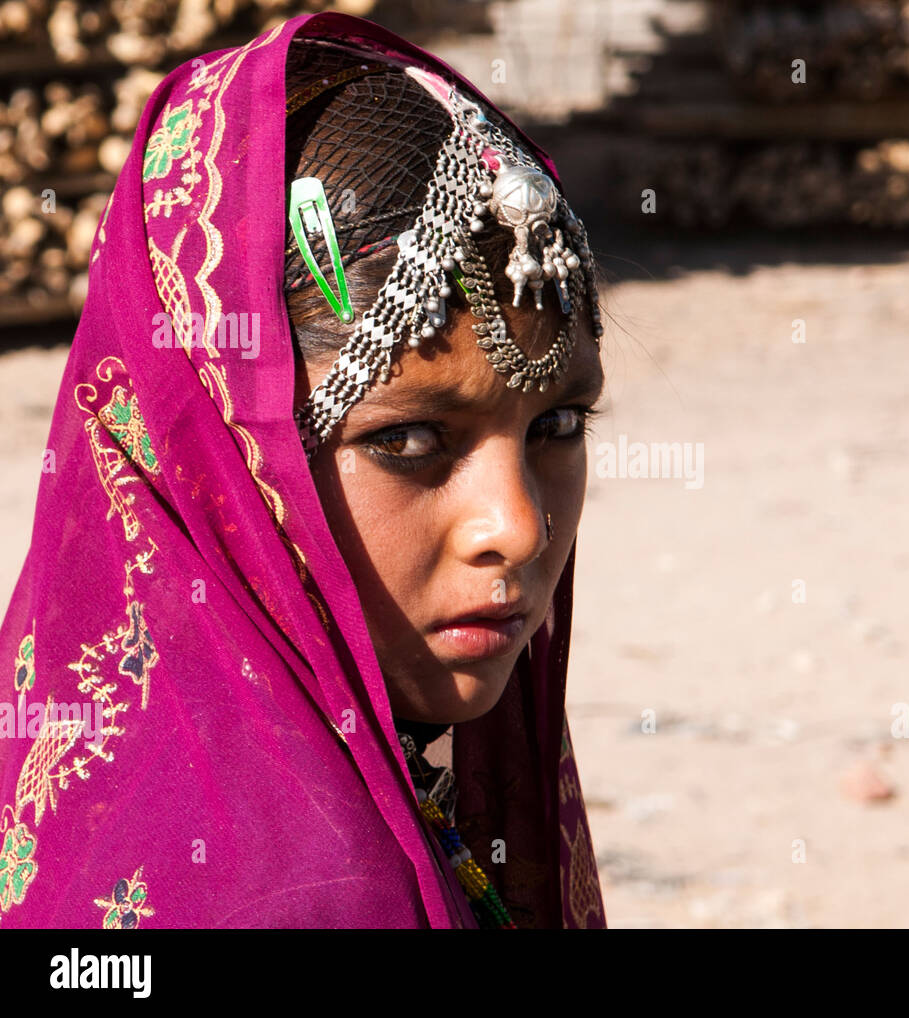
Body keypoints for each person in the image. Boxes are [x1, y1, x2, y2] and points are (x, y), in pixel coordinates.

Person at [0, 11, 607, 929]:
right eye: (407, 443)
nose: (518, 528)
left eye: (558, 424)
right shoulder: (310, 900)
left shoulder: (90, 770)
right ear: (227, 465)